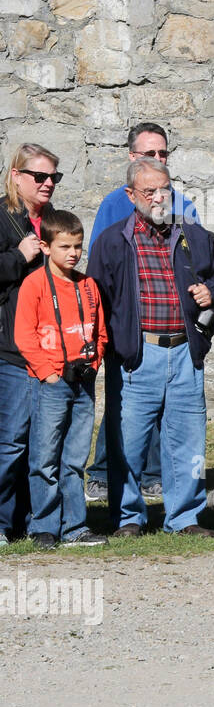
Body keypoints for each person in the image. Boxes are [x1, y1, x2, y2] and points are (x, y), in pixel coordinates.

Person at [88, 157, 214, 538]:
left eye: (165, 188)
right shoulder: (113, 240)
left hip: (184, 352)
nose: (160, 197)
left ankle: (184, 517)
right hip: (137, 356)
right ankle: (128, 518)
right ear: (131, 195)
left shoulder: (193, 236)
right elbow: (98, 297)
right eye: (150, 191)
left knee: (187, 440)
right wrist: (118, 348)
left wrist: (209, 293)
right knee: (127, 442)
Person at [85, 122, 195, 501]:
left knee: (171, 415)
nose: (158, 159)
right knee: (126, 416)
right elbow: (103, 271)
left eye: (163, 154)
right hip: (132, 334)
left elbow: (195, 259)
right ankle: (105, 476)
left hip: (176, 336)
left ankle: (158, 478)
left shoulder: (181, 204)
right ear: (133, 157)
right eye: (150, 154)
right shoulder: (115, 204)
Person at [13, 210, 108, 549]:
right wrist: (49, 374)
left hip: (83, 383)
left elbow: (100, 333)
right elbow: (24, 336)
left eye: (78, 247)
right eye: (65, 246)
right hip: (50, 384)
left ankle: (75, 528)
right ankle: (44, 527)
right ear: (46, 246)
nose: (72, 253)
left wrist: (93, 362)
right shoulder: (34, 284)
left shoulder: (88, 285)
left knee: (74, 460)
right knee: (44, 460)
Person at [0, 143, 59, 546]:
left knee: (44, 443)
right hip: (10, 348)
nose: (48, 183)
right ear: (17, 175)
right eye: (40, 176)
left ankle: (31, 521)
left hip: (50, 348)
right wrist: (17, 257)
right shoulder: (3, 219)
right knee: (10, 442)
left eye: (54, 176)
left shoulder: (53, 221)